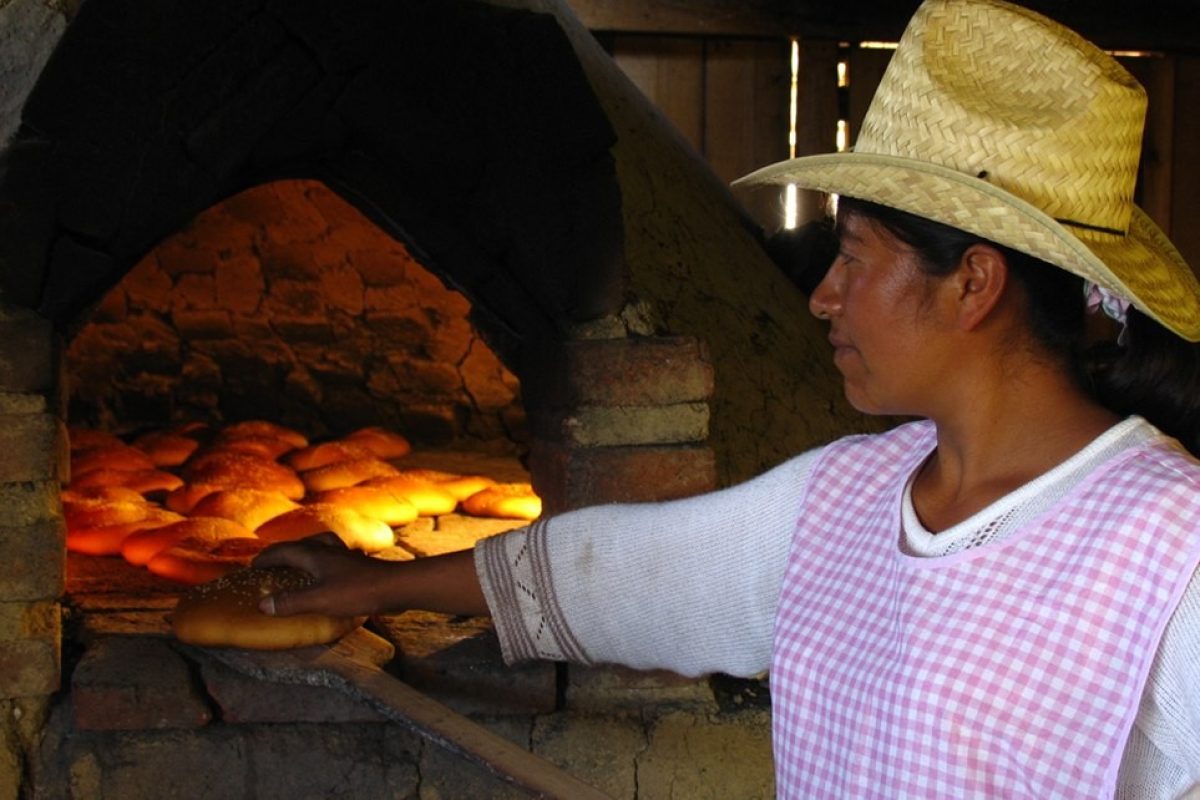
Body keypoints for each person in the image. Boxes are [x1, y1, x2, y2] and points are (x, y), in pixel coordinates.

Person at [253, 0, 1200, 796]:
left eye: (856, 259)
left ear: (973, 283)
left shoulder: (1169, 546)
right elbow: (615, 573)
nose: (822, 294)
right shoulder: (849, 497)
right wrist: (372, 583)